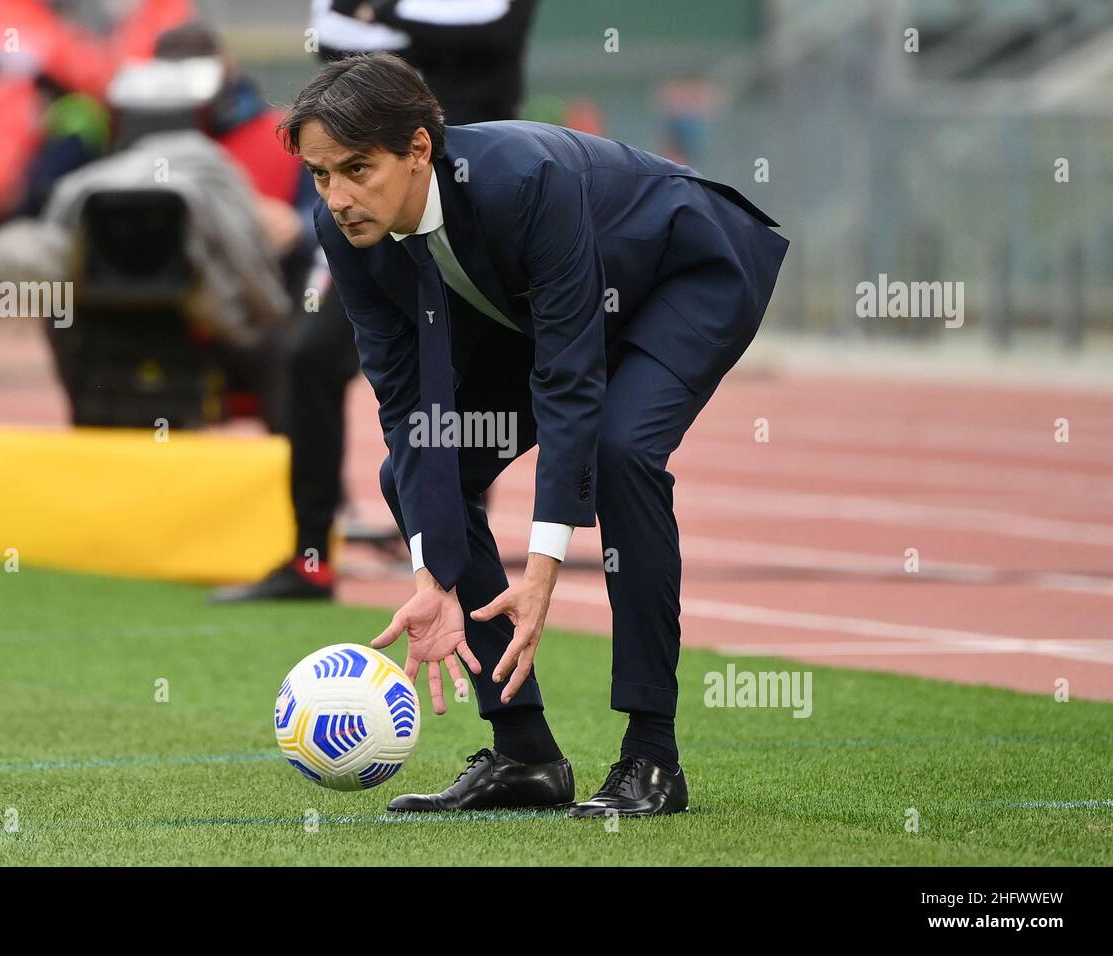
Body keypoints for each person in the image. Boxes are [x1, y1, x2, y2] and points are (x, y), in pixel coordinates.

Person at [282, 54, 788, 817]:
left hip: (687, 273)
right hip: (543, 308)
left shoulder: (523, 179)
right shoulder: (342, 227)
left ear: (419, 148)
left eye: (357, 168)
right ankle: (524, 755)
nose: (340, 197)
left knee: (621, 453)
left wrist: (545, 564)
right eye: (321, 175)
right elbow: (406, 406)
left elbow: (570, 378)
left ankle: (652, 757)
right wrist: (433, 578)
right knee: (412, 476)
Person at [213, 1, 539, 603]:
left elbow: (493, 30)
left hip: (471, 214)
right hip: (376, 212)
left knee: (467, 385)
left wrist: (389, 12)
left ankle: (458, 561)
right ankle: (311, 558)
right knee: (307, 355)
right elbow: (333, 48)